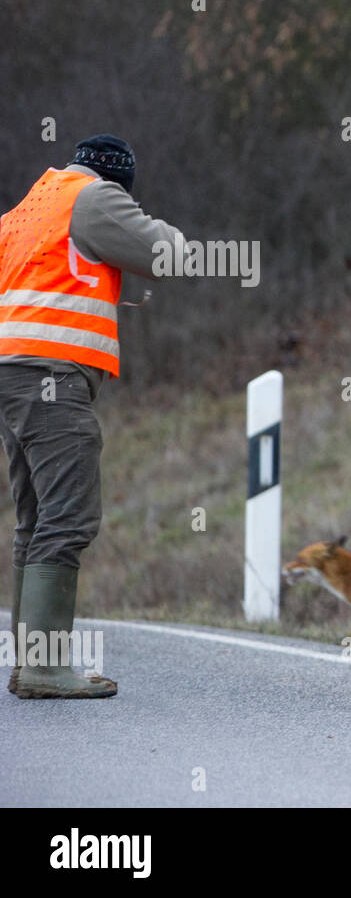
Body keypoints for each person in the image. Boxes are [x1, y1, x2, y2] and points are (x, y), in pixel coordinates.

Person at [0, 134, 186, 698]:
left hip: (14, 373)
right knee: (70, 515)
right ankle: (45, 668)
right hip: (50, 378)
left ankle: (31, 660)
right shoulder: (96, 197)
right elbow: (171, 255)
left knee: (35, 517)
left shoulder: (27, 208)